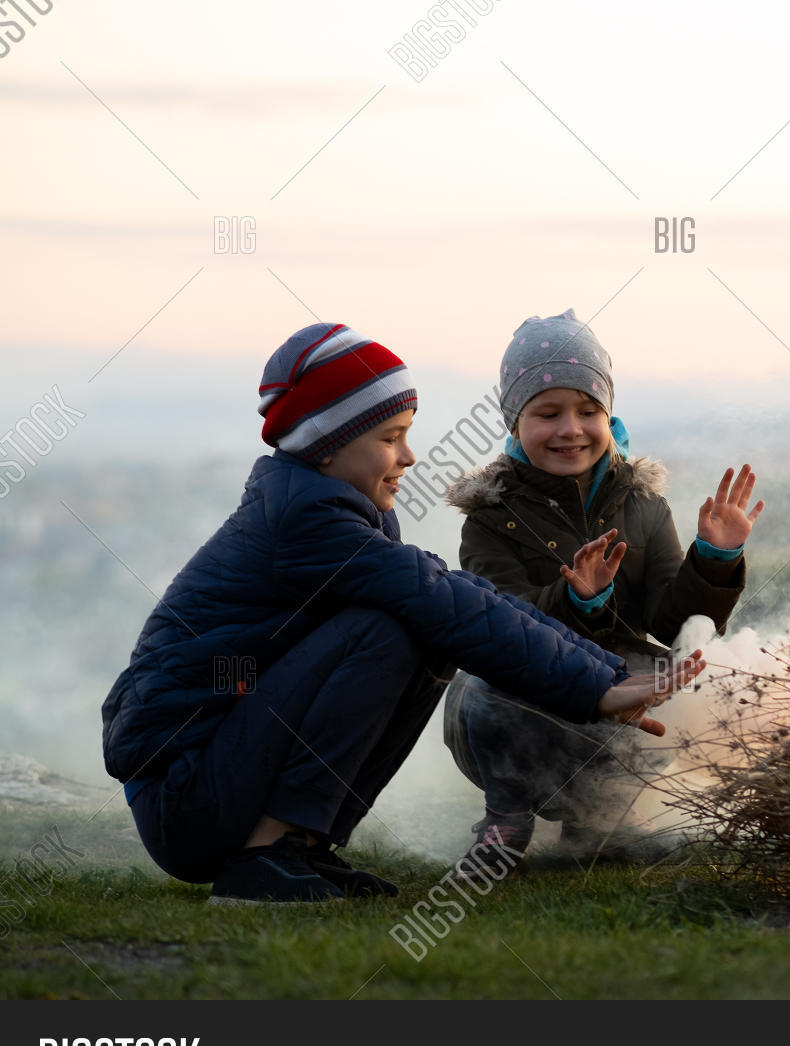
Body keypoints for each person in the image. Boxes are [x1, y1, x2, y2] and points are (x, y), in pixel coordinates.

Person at [100, 323, 702, 905]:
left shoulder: (335, 509)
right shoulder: (305, 520)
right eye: (391, 437)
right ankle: (265, 854)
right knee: (394, 626)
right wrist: (597, 686)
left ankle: (300, 845)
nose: (409, 456)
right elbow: (446, 600)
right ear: (329, 443)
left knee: (417, 625)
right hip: (184, 796)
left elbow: (459, 594)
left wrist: (605, 672)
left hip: (213, 778)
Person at [443, 310, 762, 873]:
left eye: (588, 411)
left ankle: (598, 824)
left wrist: (714, 558)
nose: (571, 429)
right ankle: (506, 818)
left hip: (615, 697)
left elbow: (674, 624)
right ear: (515, 421)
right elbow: (499, 624)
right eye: (548, 413)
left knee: (682, 680)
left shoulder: (643, 505)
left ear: (608, 414)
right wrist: (577, 601)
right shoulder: (490, 518)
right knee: (480, 681)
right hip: (521, 708)